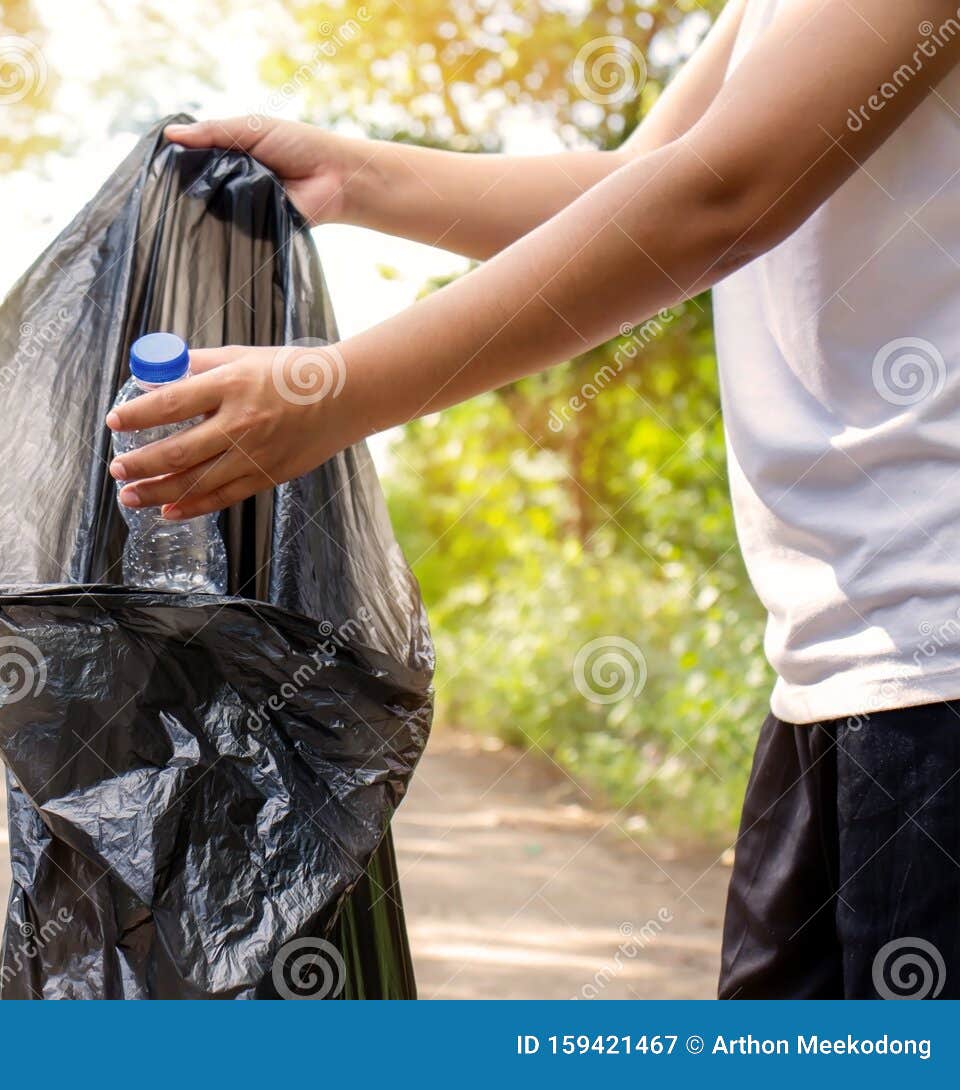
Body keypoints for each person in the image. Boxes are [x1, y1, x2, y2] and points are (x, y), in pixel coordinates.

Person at [105, 0, 960, 999]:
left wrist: (335, 390)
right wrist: (356, 177)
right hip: (843, 669)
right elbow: (641, 179)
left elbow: (718, 195)